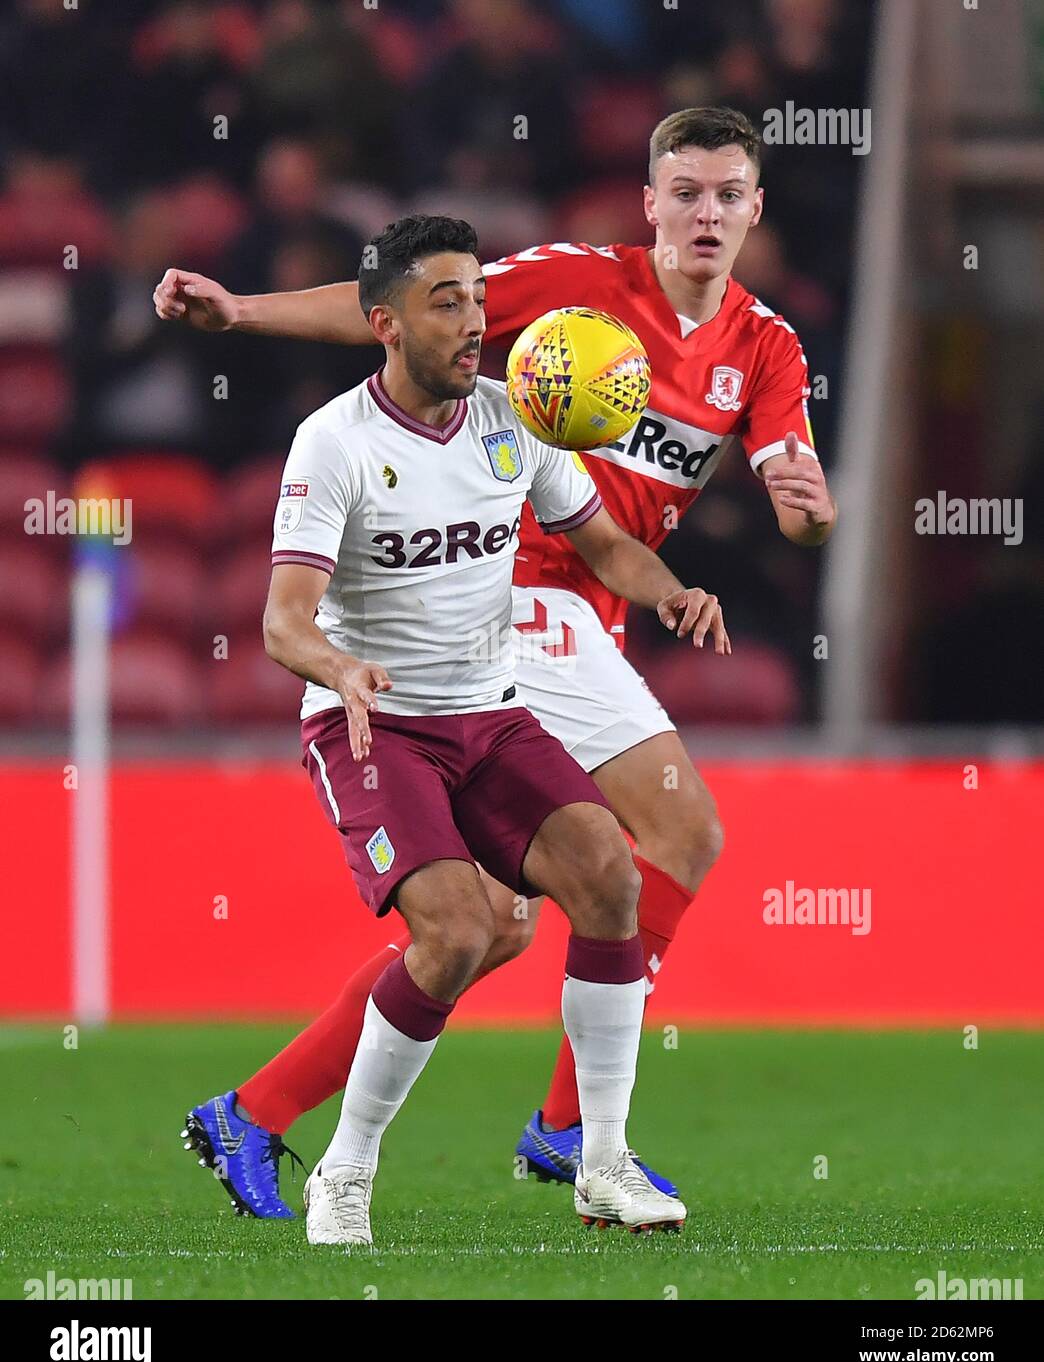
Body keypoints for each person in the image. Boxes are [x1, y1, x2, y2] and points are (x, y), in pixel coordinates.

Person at [161, 106, 835, 1211]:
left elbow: (794, 487)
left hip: (600, 603)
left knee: (497, 927)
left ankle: (256, 1110)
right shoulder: (572, 280)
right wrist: (241, 313)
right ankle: (573, 1132)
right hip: (515, 590)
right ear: (650, 202)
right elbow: (391, 312)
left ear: (755, 210)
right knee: (679, 829)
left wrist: (810, 514)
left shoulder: (765, 346)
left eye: (728, 195)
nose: (705, 213)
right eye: (686, 191)